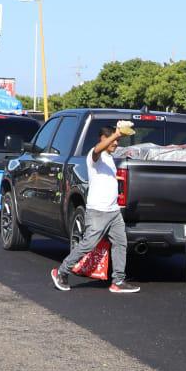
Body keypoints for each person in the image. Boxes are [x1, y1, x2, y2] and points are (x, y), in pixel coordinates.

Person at [51, 120, 141, 295]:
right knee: (87, 245)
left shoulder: (110, 159)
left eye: (117, 140)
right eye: (113, 140)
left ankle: (118, 281)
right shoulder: (94, 156)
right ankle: (61, 271)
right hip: (98, 211)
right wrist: (117, 133)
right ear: (103, 139)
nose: (116, 143)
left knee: (121, 243)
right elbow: (98, 150)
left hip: (113, 212)